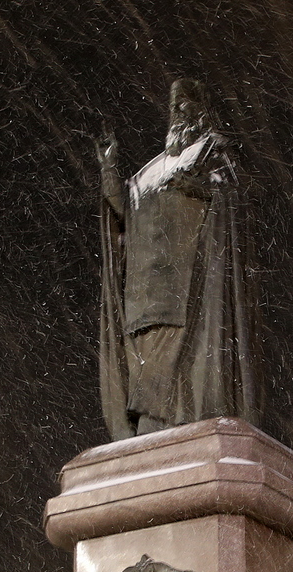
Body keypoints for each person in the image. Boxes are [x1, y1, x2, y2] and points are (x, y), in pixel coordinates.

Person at [97, 80, 257, 440]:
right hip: (141, 296)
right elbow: (126, 210)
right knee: (143, 375)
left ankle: (165, 438)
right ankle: (156, 439)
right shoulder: (151, 171)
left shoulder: (212, 151)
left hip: (186, 288)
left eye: (188, 106)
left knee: (174, 374)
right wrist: (109, 171)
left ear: (202, 112)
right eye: (176, 108)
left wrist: (195, 176)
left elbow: (224, 190)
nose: (181, 114)